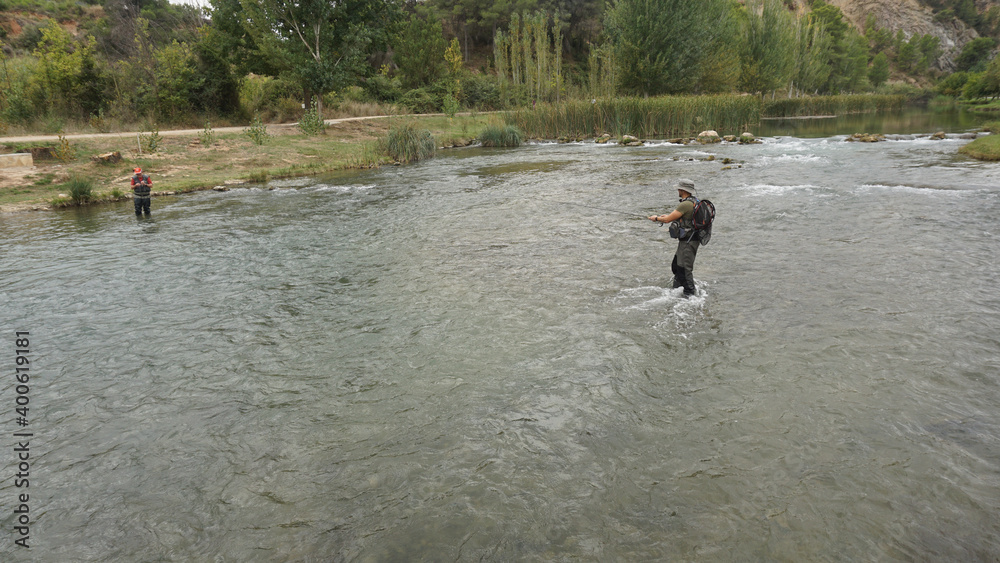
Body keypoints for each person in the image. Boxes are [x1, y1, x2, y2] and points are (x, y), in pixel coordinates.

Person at [648, 178, 704, 297]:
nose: (677, 190)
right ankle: (676, 290)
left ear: (682, 190)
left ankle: (690, 296)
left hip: (689, 242)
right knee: (676, 266)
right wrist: (665, 216)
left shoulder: (685, 204)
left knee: (684, 269)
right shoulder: (694, 201)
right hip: (689, 240)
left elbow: (668, 220)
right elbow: (679, 217)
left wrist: (656, 218)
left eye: (679, 188)